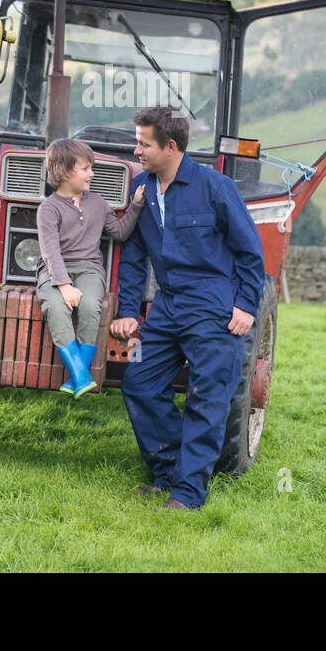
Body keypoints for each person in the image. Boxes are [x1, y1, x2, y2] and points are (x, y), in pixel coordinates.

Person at [110, 106, 265, 511]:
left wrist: (246, 305)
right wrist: (128, 309)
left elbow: (250, 251)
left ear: (171, 147)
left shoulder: (215, 187)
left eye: (144, 144)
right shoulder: (142, 188)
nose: (137, 151)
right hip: (165, 308)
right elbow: (134, 254)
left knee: (208, 394)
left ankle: (188, 493)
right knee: (139, 382)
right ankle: (170, 471)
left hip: (214, 307)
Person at [36, 138, 145, 397]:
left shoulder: (98, 203)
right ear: (63, 173)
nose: (91, 174)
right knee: (54, 306)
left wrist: (136, 206)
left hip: (89, 269)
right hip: (53, 271)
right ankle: (82, 375)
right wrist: (63, 286)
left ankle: (78, 378)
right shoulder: (48, 209)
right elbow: (50, 252)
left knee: (89, 305)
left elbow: (119, 232)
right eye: (85, 168)